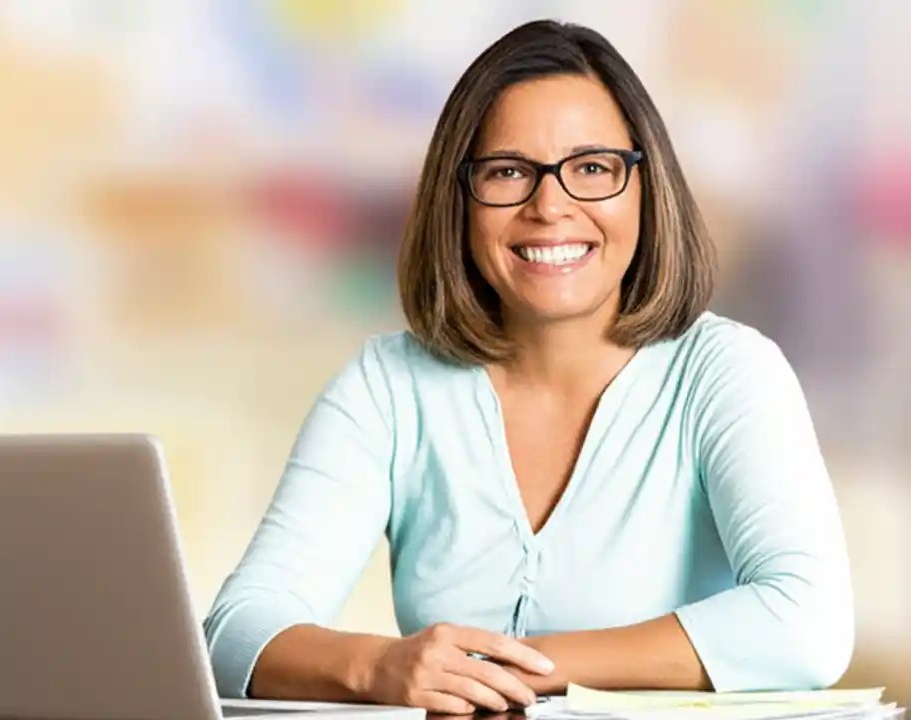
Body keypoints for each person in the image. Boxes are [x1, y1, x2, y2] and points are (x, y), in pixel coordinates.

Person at [201, 19, 854, 715]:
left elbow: (806, 622)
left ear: (645, 186)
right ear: (460, 196)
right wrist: (382, 665)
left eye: (593, 168)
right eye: (508, 171)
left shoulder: (724, 374)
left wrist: (512, 667)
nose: (550, 206)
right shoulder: (388, 388)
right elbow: (235, 634)